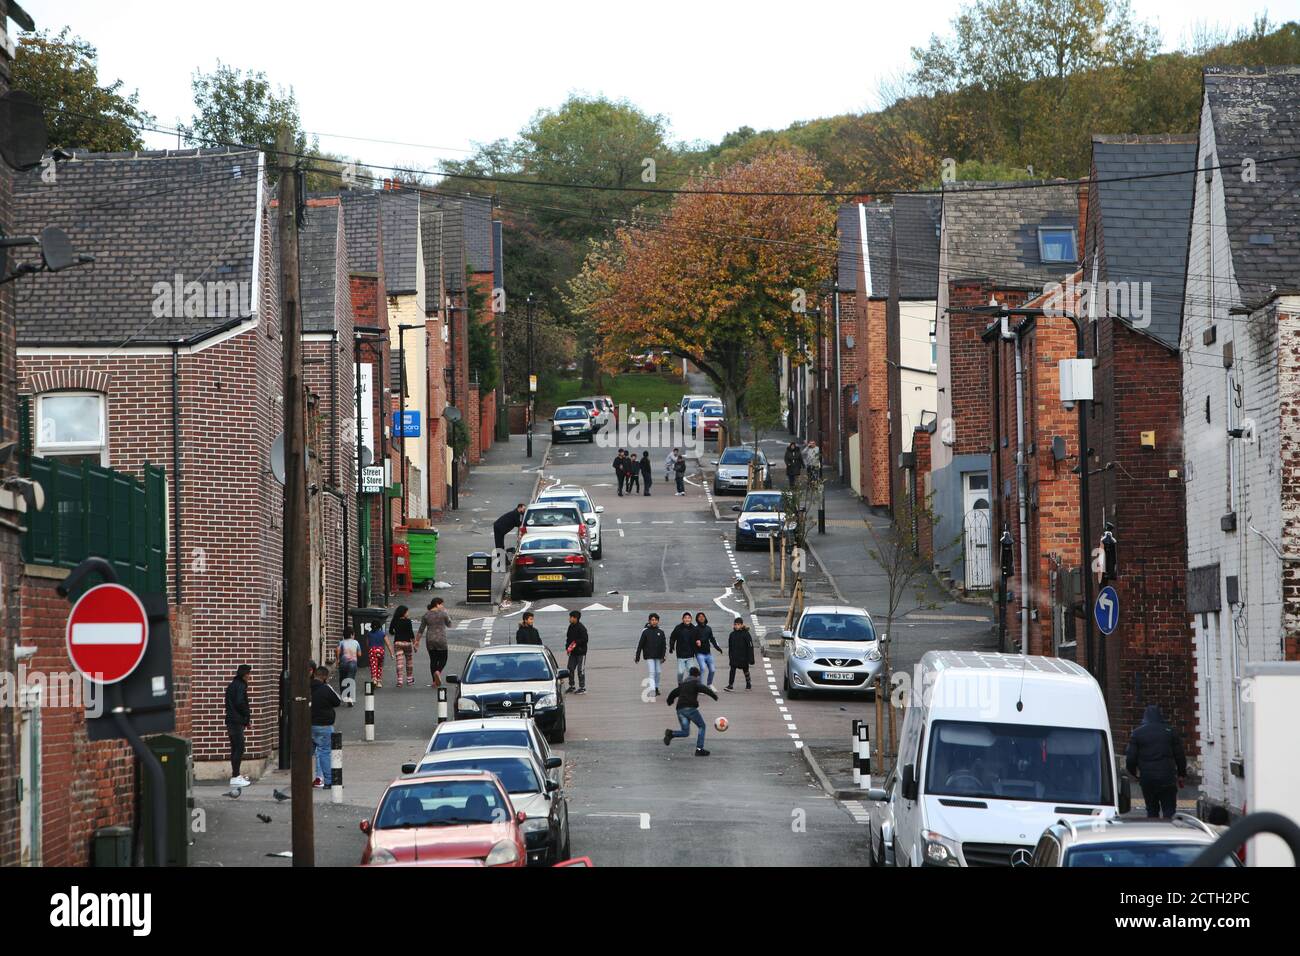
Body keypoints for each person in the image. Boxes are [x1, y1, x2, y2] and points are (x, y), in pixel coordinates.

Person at [1125, 704, 1187, 819]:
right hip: (1167, 777)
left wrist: (1135, 774)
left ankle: (1154, 831)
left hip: (1148, 779)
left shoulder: (1137, 733)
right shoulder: (1170, 732)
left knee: (1152, 809)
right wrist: (1181, 774)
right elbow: (1180, 756)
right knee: (1169, 809)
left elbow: (1130, 758)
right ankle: (1169, 832)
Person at [663, 666, 718, 756]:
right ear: (697, 676)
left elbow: (674, 692)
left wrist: (670, 701)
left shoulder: (683, 684)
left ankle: (671, 734)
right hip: (690, 709)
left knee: (685, 732)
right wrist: (714, 696)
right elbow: (704, 689)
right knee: (702, 726)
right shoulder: (695, 683)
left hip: (680, 710)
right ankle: (699, 749)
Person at [310, 666, 342, 789]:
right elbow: (337, 701)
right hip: (324, 725)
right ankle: (329, 781)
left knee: (307, 754)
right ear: (325, 677)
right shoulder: (325, 689)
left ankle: (302, 779)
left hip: (308, 725)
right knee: (324, 752)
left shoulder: (306, 687)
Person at [224, 664, 253, 787]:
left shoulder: (232, 686)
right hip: (236, 721)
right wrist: (247, 715)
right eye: (249, 674)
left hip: (231, 720)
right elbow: (240, 703)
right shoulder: (240, 686)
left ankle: (236, 775)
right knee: (239, 748)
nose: (250, 676)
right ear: (245, 674)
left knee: (235, 748)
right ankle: (235, 776)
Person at [418, 597, 452, 689]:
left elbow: (421, 629)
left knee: (433, 660)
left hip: (430, 640)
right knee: (443, 658)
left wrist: (416, 642)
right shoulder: (443, 614)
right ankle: (438, 671)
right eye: (441, 604)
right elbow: (449, 624)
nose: (443, 606)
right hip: (441, 639)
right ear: (437, 604)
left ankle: (434, 681)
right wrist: (446, 613)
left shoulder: (426, 615)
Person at [634, 613, 668, 697]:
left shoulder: (661, 632)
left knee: (658, 672)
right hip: (649, 655)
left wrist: (663, 656)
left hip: (658, 655)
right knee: (652, 672)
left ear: (658, 621)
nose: (654, 621)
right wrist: (637, 656)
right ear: (649, 621)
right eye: (652, 620)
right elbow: (640, 645)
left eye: (656, 620)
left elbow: (664, 645)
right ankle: (652, 690)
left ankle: (656, 687)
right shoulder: (645, 632)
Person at [389, 605, 417, 688]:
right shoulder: (408, 621)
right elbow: (411, 633)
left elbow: (391, 631)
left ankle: (400, 680)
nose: (408, 613)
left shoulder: (394, 621)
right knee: (409, 661)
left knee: (399, 662)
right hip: (407, 643)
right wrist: (414, 644)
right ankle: (409, 679)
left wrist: (396, 633)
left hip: (398, 643)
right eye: (407, 612)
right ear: (403, 613)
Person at [693, 611, 723, 689]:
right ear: (697, 619)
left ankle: (709, 684)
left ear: (705, 618)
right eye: (699, 616)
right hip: (699, 653)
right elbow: (693, 640)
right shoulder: (695, 629)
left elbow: (712, 639)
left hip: (708, 653)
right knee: (703, 668)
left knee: (712, 670)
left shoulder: (708, 628)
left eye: (703, 616)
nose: (701, 617)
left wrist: (717, 648)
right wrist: (696, 643)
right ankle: (701, 686)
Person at [725, 617, 755, 691]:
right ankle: (730, 685)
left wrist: (751, 658)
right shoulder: (732, 634)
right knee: (732, 670)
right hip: (734, 656)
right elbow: (730, 647)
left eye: (738, 624)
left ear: (742, 625)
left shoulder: (746, 634)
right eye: (735, 624)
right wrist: (730, 656)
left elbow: (750, 646)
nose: (736, 626)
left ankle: (748, 684)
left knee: (746, 670)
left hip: (744, 656)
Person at [669, 612, 698, 684]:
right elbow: (672, 637)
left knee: (691, 673)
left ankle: (690, 686)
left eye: (689, 618)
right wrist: (671, 646)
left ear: (691, 619)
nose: (687, 619)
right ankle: (680, 684)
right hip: (681, 654)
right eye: (685, 618)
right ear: (682, 619)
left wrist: (698, 644)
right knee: (680, 672)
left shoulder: (694, 628)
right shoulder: (678, 628)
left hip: (690, 655)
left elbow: (697, 639)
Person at [565, 610, 589, 694]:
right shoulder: (570, 627)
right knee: (570, 668)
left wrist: (576, 643)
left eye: (571, 617)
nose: (569, 619)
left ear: (575, 618)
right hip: (572, 652)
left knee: (580, 670)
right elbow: (568, 638)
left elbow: (585, 639)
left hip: (581, 652)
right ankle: (572, 686)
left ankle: (582, 687)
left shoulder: (581, 628)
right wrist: (567, 647)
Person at [336, 627, 361, 706]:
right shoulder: (356, 642)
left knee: (342, 679)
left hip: (343, 663)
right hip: (353, 663)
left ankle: (344, 696)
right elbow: (360, 654)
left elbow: (337, 650)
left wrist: (338, 659)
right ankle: (349, 698)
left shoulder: (341, 642)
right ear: (351, 635)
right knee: (350, 679)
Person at [366, 621, 388, 688]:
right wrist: (392, 653)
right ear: (379, 626)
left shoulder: (369, 634)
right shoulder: (382, 633)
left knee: (373, 666)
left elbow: (367, 644)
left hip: (372, 650)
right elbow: (388, 643)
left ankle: (374, 679)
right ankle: (378, 682)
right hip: (380, 651)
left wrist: (369, 650)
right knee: (379, 666)